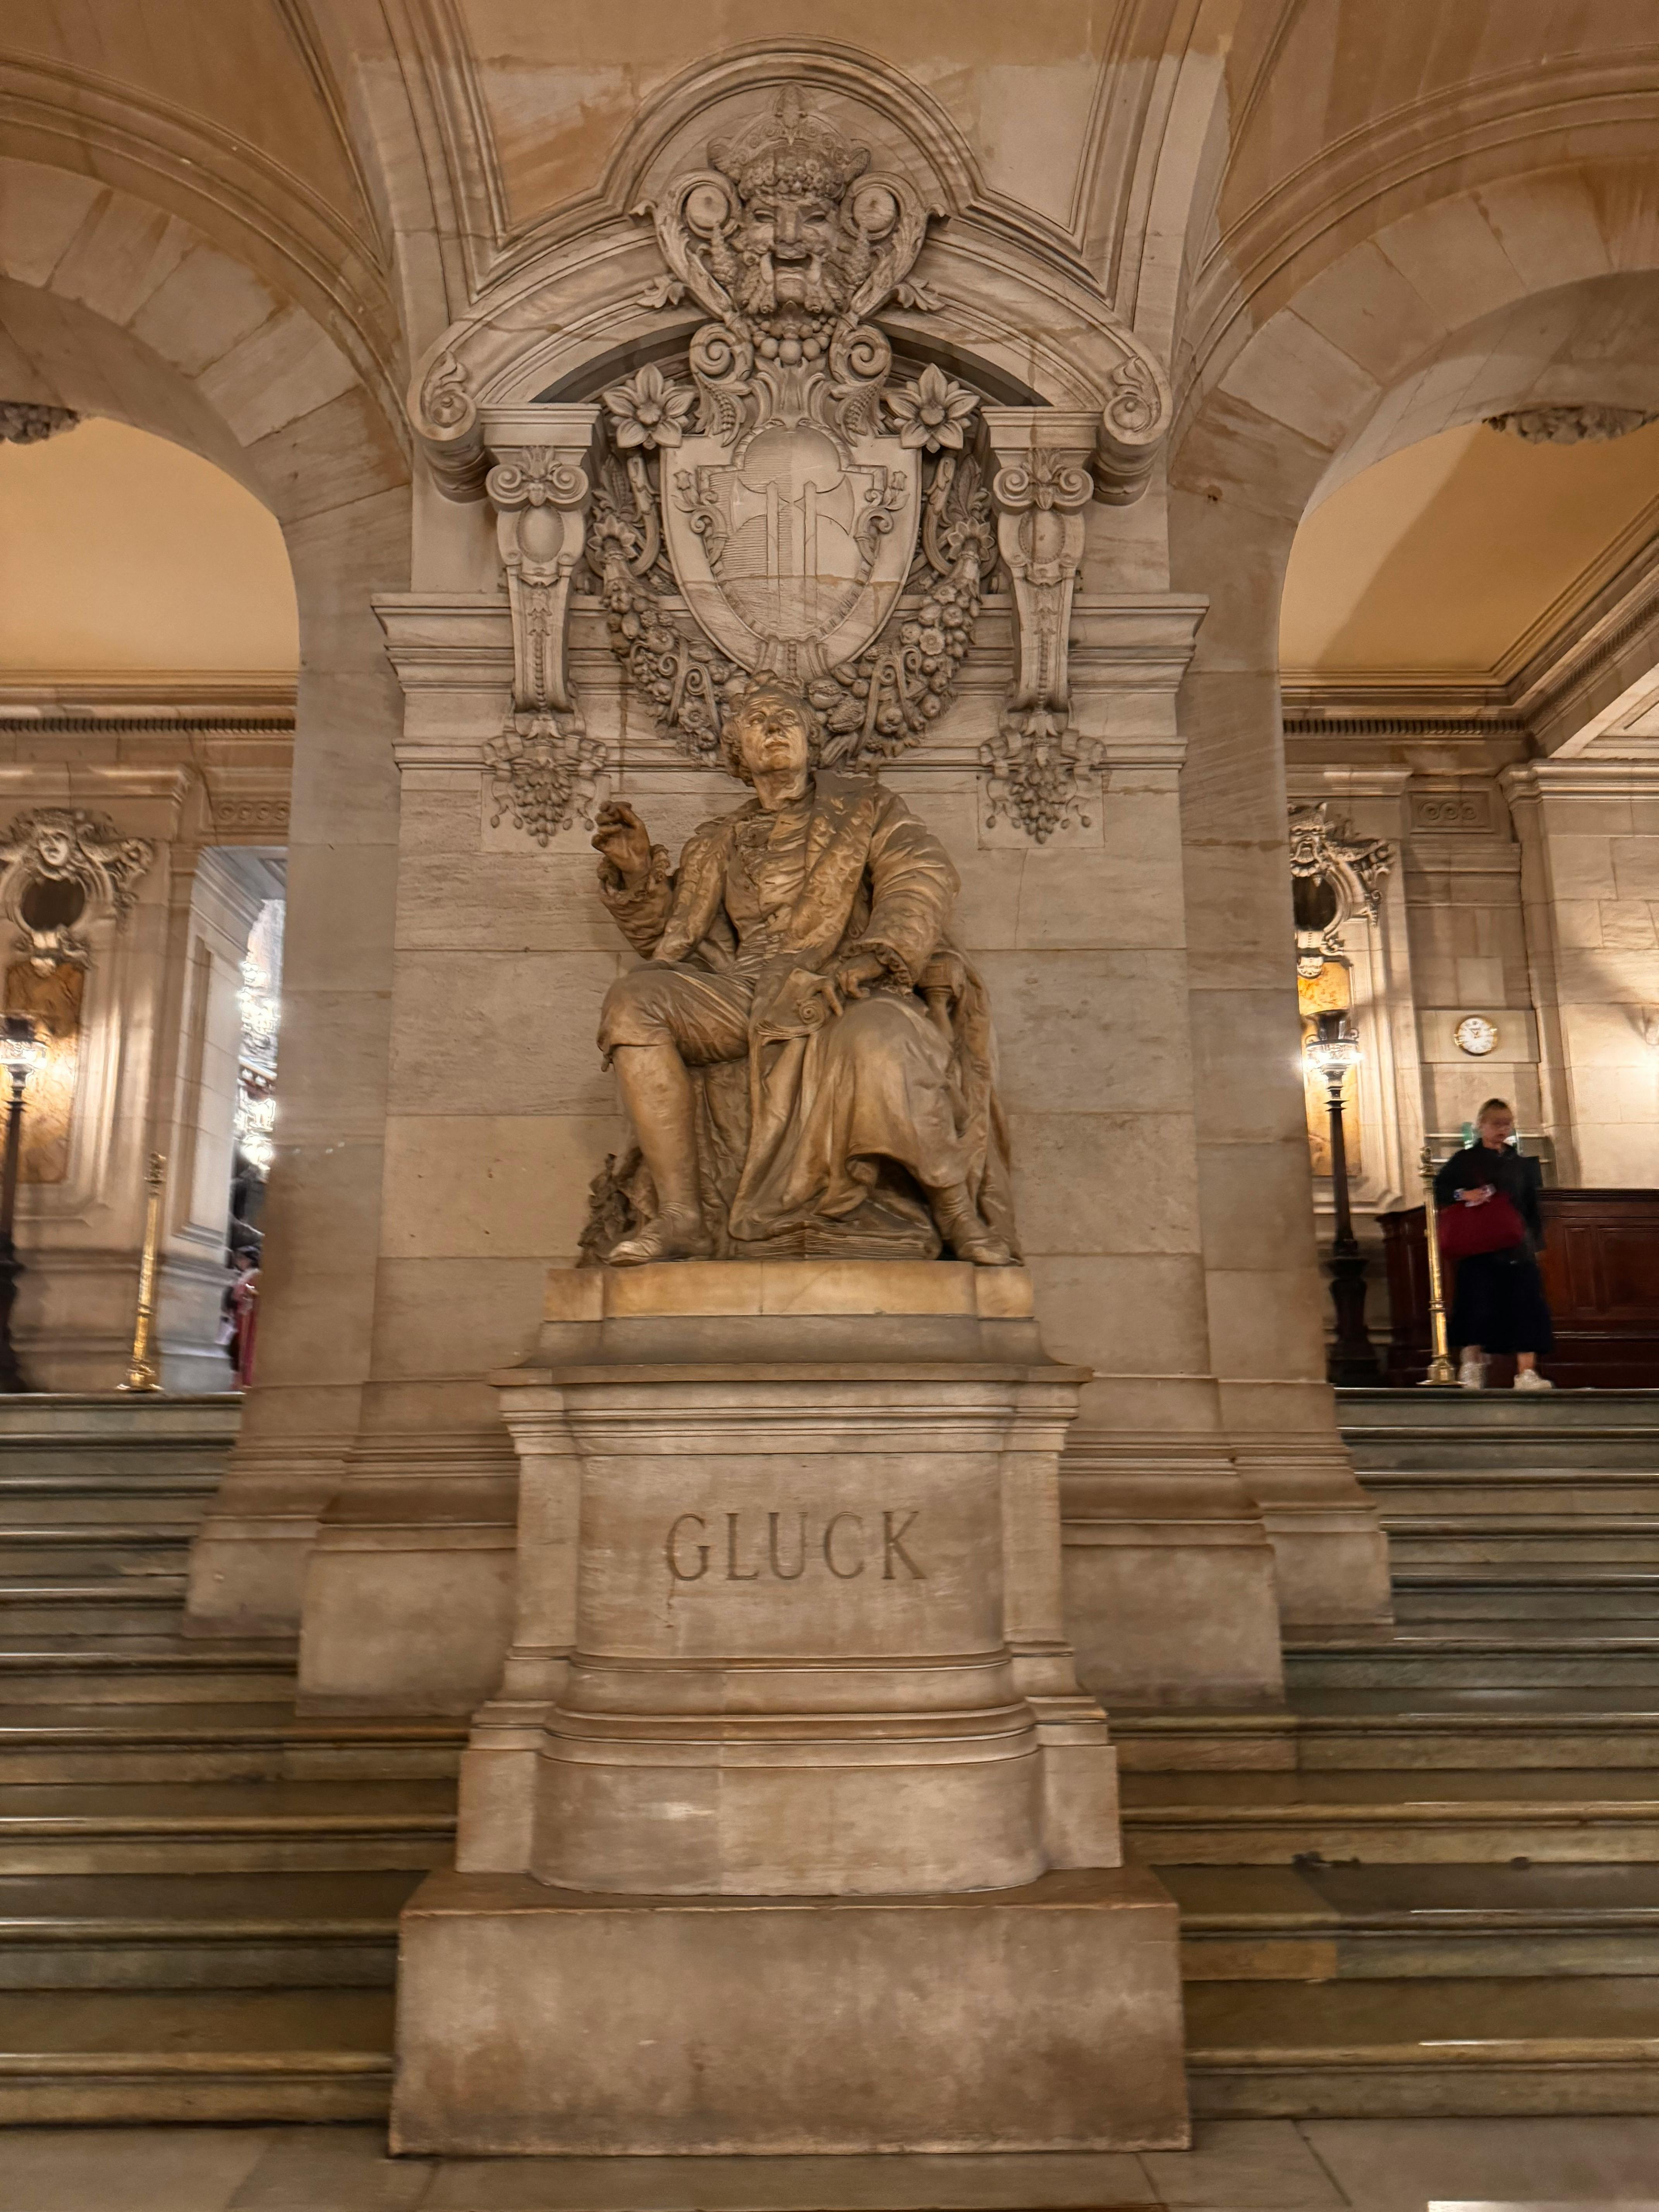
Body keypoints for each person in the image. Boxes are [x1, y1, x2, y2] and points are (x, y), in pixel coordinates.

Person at [589, 675, 1015, 1267]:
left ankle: (956, 1215)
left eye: (787, 719)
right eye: (759, 721)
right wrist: (637, 876)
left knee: (884, 1038)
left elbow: (918, 875)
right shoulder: (715, 840)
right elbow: (671, 940)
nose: (774, 729)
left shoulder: (866, 807)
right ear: (738, 750)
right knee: (632, 1002)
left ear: (812, 741)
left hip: (844, 982)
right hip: (743, 992)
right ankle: (682, 1218)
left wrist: (880, 953)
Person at [1434, 1098, 1553, 1391]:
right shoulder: (1465, 1160)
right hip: (1479, 1248)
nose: (1502, 1129)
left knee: (1527, 1307)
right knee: (1477, 1305)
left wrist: (1535, 1243)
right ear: (1481, 1126)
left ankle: (1526, 1373)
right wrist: (1466, 1194)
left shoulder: (1521, 1164)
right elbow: (1440, 1190)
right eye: (1496, 1123)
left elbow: (1531, 1204)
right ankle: (1472, 1366)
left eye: (1507, 1123)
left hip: (1517, 1245)